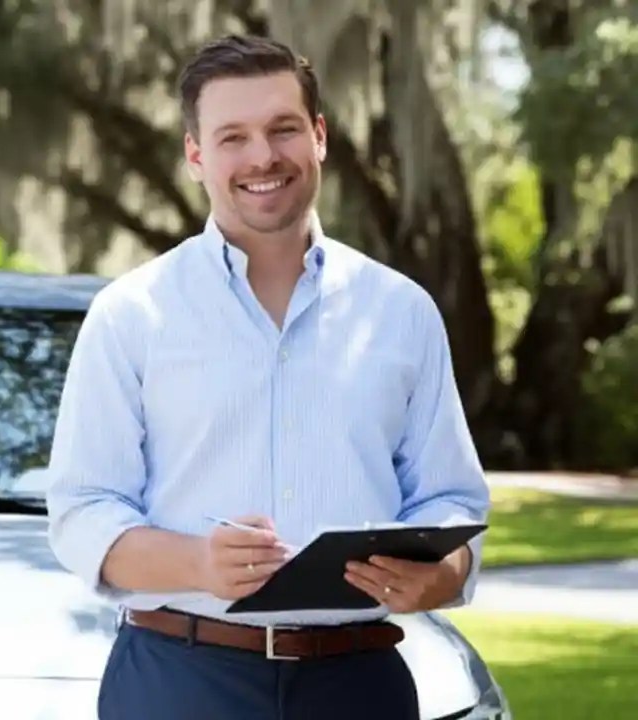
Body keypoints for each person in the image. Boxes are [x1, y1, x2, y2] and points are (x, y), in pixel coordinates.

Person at [44, 34, 491, 720]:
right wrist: (197, 564)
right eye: (233, 137)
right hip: (178, 683)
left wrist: (439, 575)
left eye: (284, 129)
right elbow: (81, 514)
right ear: (196, 155)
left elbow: (452, 499)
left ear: (319, 137)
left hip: (361, 685)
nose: (262, 157)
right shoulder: (129, 314)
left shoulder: (402, 312)